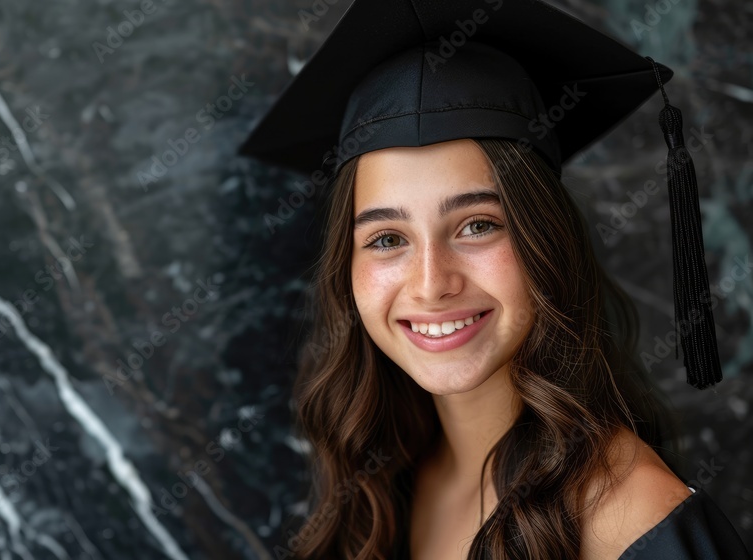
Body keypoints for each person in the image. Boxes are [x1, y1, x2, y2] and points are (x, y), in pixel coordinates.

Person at [238, 0, 751, 558]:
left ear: (546, 240)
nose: (431, 284)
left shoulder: (630, 517)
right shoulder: (382, 480)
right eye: (387, 239)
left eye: (478, 226)